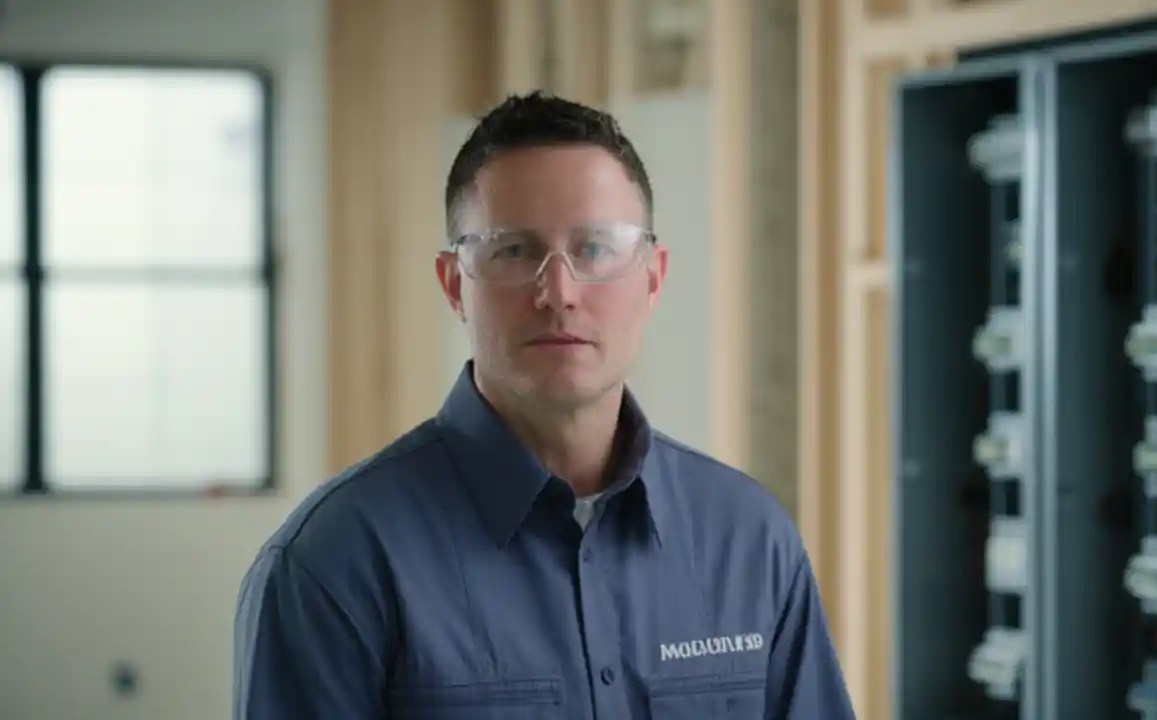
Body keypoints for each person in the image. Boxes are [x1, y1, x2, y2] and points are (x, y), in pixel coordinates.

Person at [233, 91, 856, 719]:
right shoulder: (336, 563)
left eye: (594, 248)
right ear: (455, 285)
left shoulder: (749, 540)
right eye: (514, 251)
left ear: (653, 277)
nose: (557, 293)